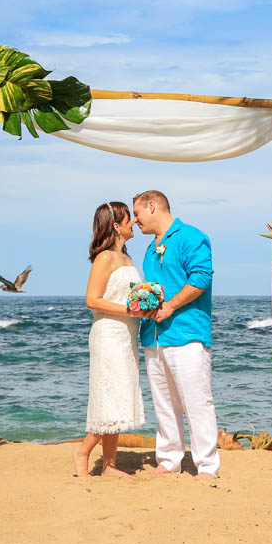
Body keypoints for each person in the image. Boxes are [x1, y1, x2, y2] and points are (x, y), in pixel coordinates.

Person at [132, 189, 220, 479]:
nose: (135, 221)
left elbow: (202, 277)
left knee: (196, 401)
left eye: (138, 213)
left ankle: (207, 465)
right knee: (164, 402)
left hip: (187, 334)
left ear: (153, 206)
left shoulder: (191, 236)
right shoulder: (148, 249)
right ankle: (169, 460)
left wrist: (170, 306)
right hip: (154, 336)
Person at [72, 201, 145, 478]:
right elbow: (92, 300)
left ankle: (110, 465)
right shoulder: (105, 258)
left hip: (127, 335)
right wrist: (129, 309)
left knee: (119, 395)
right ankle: (82, 451)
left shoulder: (126, 258)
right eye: (129, 219)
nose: (134, 223)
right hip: (108, 335)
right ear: (116, 225)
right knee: (109, 396)